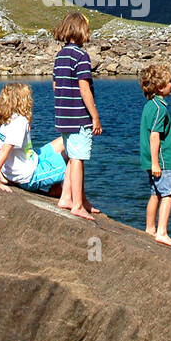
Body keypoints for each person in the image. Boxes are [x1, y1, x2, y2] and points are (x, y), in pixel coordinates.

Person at [52, 11, 101, 220]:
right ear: (82, 31)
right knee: (79, 158)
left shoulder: (60, 55)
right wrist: (95, 117)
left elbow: (55, 85)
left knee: (72, 156)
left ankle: (66, 197)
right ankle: (78, 204)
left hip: (62, 117)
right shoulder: (81, 56)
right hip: (79, 117)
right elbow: (84, 89)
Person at [0, 82, 69, 195]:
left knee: (66, 141)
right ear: (22, 101)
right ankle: (59, 191)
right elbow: (4, 151)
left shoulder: (7, 118)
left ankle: (56, 186)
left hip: (26, 163)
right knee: (75, 160)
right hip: (27, 176)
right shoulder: (19, 122)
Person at [139, 63, 171, 248]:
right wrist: (156, 163)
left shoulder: (149, 105)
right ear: (160, 87)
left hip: (150, 160)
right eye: (170, 81)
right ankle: (161, 231)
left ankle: (150, 228)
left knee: (155, 193)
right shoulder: (159, 108)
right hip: (161, 161)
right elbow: (154, 136)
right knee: (169, 193)